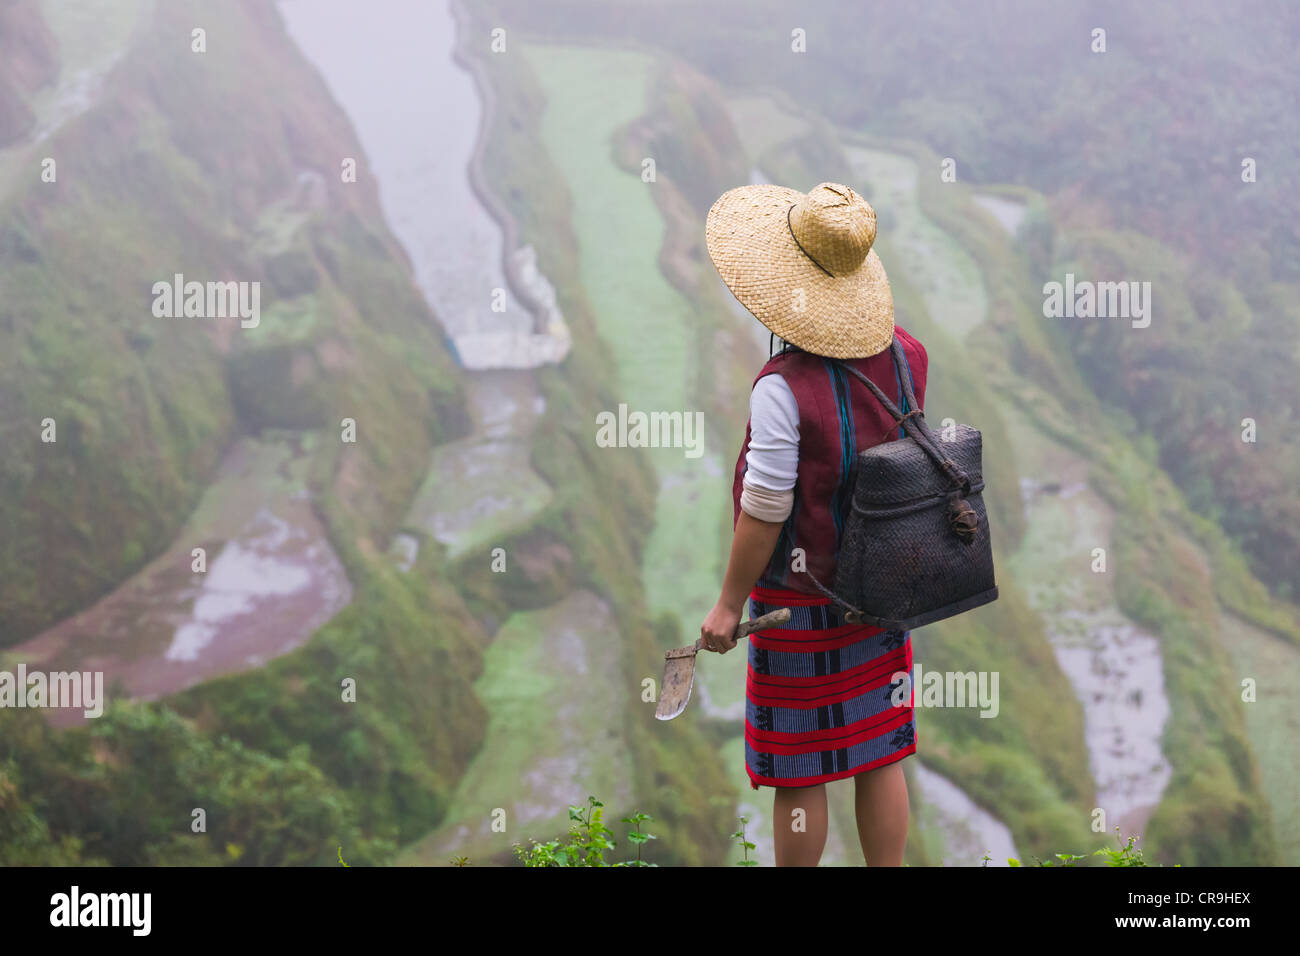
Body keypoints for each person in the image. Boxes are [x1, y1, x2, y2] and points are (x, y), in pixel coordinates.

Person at [700, 181, 928, 867]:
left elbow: (767, 507)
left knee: (800, 765)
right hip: (881, 586)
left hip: (794, 607)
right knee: (879, 748)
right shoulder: (906, 355)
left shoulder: (781, 389)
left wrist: (727, 604)